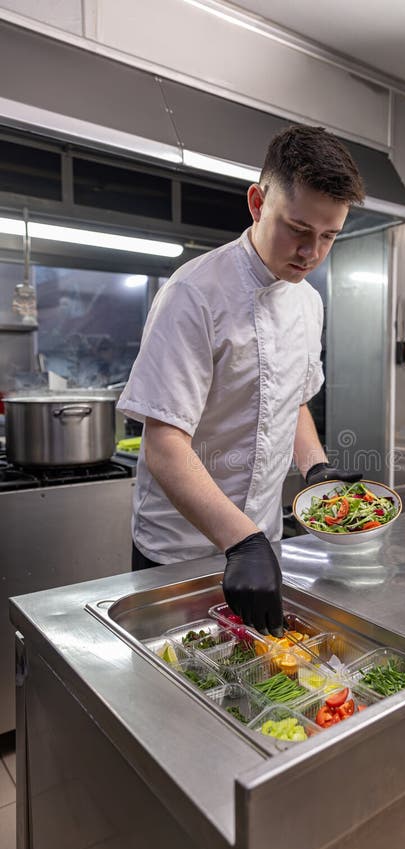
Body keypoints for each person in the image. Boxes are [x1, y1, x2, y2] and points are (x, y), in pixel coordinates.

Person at [117, 125, 365, 636]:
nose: (311, 252)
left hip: (261, 544)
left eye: (329, 236)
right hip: (179, 552)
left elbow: (293, 399)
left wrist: (315, 468)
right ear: (257, 203)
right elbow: (164, 445)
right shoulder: (194, 293)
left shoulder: (308, 301)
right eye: (298, 229)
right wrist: (241, 540)